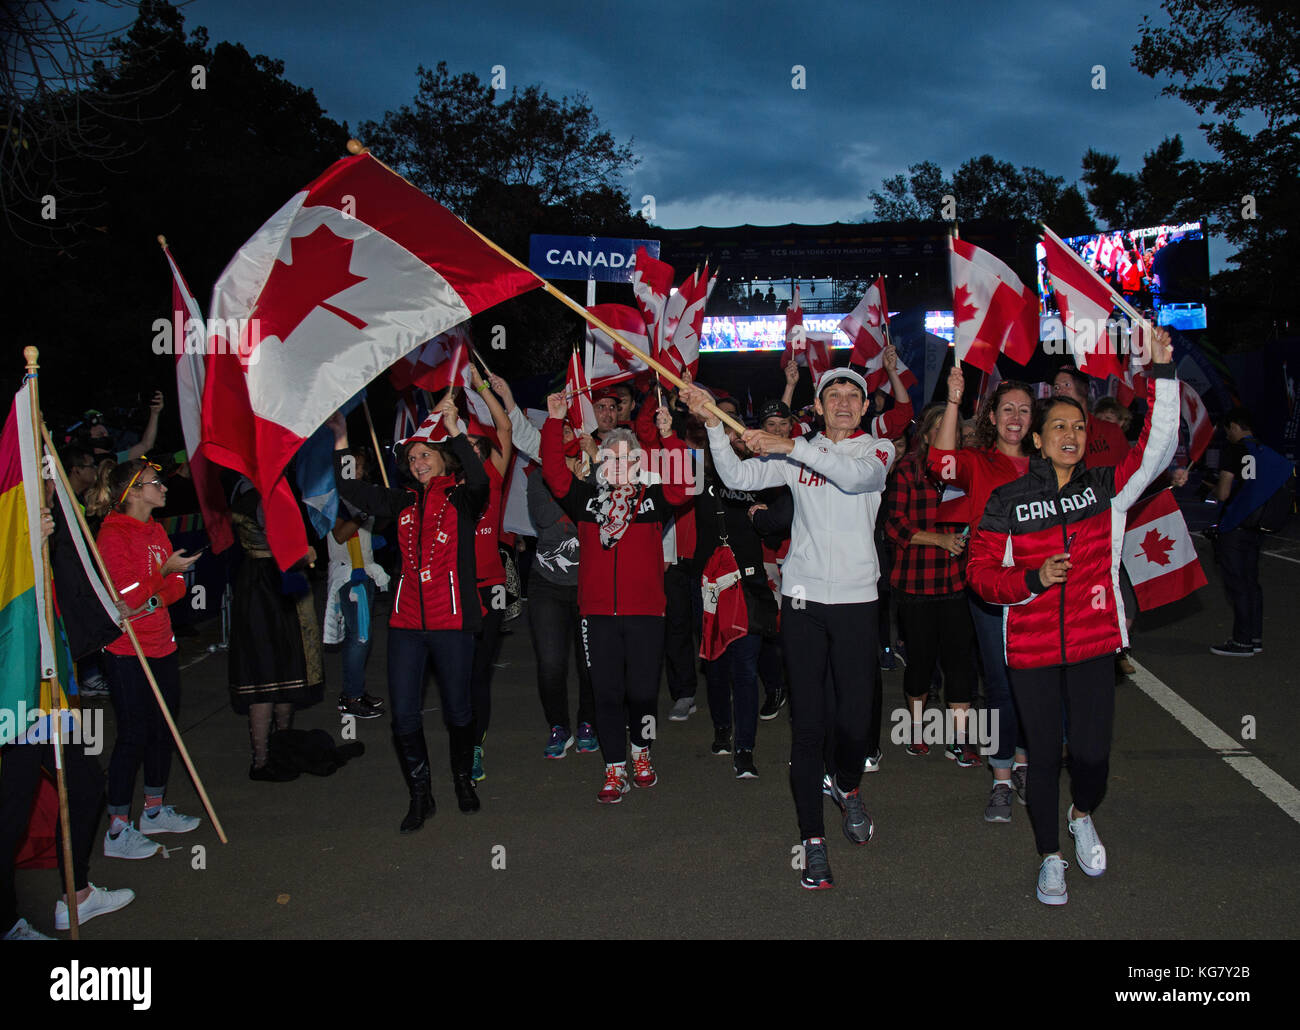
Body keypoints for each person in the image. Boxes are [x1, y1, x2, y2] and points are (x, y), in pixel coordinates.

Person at [966, 328, 1178, 906]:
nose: (1071, 433)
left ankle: (1082, 815)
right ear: (1036, 439)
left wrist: (1162, 372)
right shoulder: (1007, 501)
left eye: (1080, 426)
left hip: (1091, 645)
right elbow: (980, 575)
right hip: (1031, 649)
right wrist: (1032, 581)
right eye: (1058, 425)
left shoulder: (1107, 491)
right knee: (1042, 755)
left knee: (1091, 758)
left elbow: (1157, 448)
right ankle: (1050, 857)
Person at [683, 368, 893, 890]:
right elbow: (736, 477)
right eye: (833, 396)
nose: (844, 403)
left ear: (863, 408)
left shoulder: (878, 450)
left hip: (857, 603)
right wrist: (712, 424)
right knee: (808, 726)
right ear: (818, 407)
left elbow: (852, 479)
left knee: (855, 724)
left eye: (853, 396)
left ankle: (847, 785)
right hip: (801, 603)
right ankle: (813, 841)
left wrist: (789, 447)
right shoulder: (797, 452)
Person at [331, 395, 488, 830]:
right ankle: (421, 795)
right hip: (405, 625)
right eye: (412, 457)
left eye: (425, 455)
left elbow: (479, 477)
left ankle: (462, 781)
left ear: (443, 459)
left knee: (458, 710)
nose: (418, 462)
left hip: (453, 624)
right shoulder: (400, 501)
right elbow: (350, 490)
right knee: (403, 714)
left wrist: (454, 428)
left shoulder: (463, 498)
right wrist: (342, 440)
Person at [540, 393, 690, 804]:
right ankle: (614, 768)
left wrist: (669, 435)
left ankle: (641, 754)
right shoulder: (587, 501)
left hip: (645, 613)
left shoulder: (653, 501)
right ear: (601, 463)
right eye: (612, 457)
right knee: (606, 692)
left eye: (628, 457)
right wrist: (555, 422)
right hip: (597, 614)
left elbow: (683, 486)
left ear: (640, 464)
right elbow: (554, 473)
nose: (619, 464)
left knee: (642, 691)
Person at [1, 505, 133, 939]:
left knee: (82, 784)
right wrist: (20, 543)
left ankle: (76, 895)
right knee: (12, 810)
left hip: (44, 691)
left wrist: (33, 543)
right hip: (13, 692)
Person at [930, 370, 1035, 822]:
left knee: (1035, 681)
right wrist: (954, 401)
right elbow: (940, 464)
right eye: (1007, 408)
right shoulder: (976, 461)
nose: (1015, 417)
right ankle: (1000, 778)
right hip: (991, 588)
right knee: (998, 683)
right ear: (992, 415)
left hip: (1040, 588)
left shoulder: (1048, 463)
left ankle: (1027, 763)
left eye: (1024, 410)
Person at [86, 459, 202, 859]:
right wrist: (160, 579)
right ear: (134, 491)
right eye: (157, 483)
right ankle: (118, 829)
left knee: (163, 729)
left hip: (162, 644)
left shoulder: (155, 530)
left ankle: (154, 810)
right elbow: (126, 598)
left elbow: (176, 590)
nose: (165, 488)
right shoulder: (113, 535)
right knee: (133, 734)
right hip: (127, 652)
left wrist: (155, 589)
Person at [882, 406, 979, 767]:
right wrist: (938, 540)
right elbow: (894, 526)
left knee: (959, 663)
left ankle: (959, 739)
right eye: (940, 428)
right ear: (925, 435)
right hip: (916, 582)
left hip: (959, 581)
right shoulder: (909, 468)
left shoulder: (966, 469)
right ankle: (917, 730)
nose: (946, 435)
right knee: (921, 661)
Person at [696, 396, 778, 778]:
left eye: (735, 435)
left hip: (748, 587)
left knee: (745, 669)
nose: (730, 441)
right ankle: (722, 729)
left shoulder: (762, 478)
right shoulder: (697, 481)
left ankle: (745, 748)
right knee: (716, 667)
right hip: (712, 591)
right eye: (721, 434)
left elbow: (779, 524)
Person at [225, 474, 324, 782]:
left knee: (279, 669)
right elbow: (281, 543)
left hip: (257, 581)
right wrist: (306, 553)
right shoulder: (263, 495)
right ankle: (264, 759)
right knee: (269, 673)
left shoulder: (240, 491)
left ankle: (280, 748)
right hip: (271, 584)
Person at [1209, 407, 1291, 656]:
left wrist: (1211, 489)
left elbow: (1223, 493)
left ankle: (1241, 641)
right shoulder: (1266, 453)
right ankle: (1254, 637)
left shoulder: (1234, 450)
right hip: (1258, 526)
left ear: (1234, 426)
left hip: (1235, 526)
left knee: (1237, 585)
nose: (1228, 435)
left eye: (1228, 430)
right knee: (1251, 583)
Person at [466, 366, 514, 782]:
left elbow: (504, 424)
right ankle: (461, 741)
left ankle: (475, 748)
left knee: (479, 674)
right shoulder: (445, 485)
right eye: (461, 445)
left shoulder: (494, 476)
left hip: (490, 590)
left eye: (474, 444)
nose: (470, 450)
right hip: (452, 592)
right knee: (456, 675)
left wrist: (481, 385)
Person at [323, 447, 390, 720]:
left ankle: (356, 691)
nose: (356, 471)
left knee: (362, 635)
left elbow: (377, 528)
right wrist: (363, 514)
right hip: (349, 576)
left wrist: (383, 508)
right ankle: (351, 697)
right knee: (359, 637)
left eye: (359, 466)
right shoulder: (334, 498)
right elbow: (340, 535)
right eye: (350, 465)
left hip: (365, 572)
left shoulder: (361, 494)